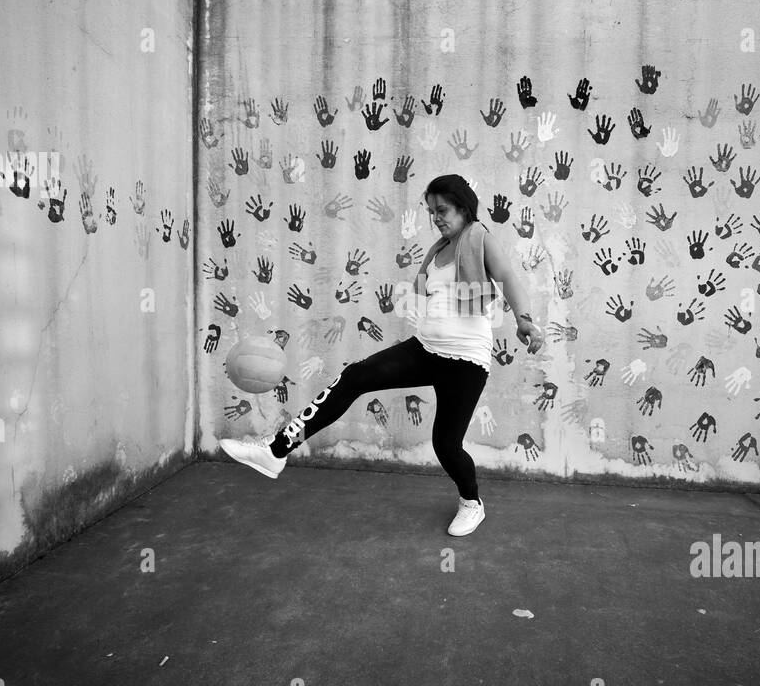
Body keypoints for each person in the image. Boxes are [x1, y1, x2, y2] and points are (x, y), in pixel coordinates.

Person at [220, 173, 543, 536]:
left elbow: (509, 278)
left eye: (443, 210)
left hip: (467, 361)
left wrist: (524, 320)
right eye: (431, 211)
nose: (436, 217)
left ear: (464, 207)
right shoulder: (438, 250)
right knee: (355, 376)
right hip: (426, 348)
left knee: (446, 445)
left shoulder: (480, 237)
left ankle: (472, 502)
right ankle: (276, 450)